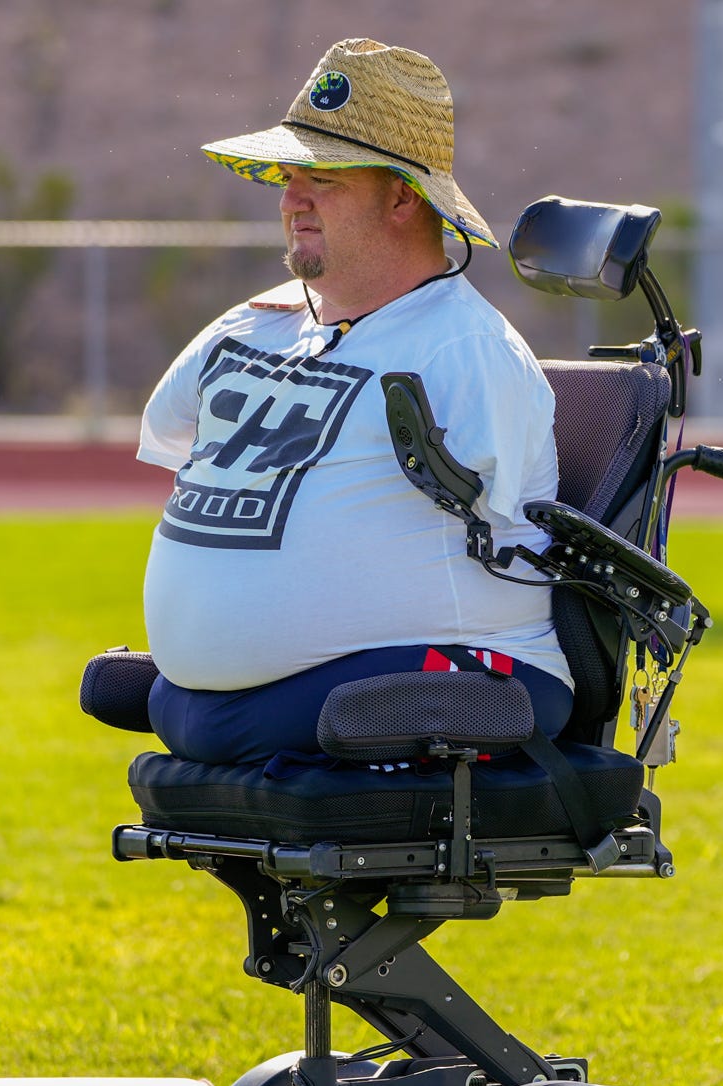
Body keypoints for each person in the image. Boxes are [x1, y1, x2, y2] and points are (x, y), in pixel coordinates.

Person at [136, 38, 570, 768]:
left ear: (404, 196)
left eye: (326, 178)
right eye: (288, 174)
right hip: (202, 698)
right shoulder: (252, 323)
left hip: (438, 686)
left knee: (315, 711)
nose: (292, 198)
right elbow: (179, 444)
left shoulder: (464, 350)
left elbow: (511, 532)